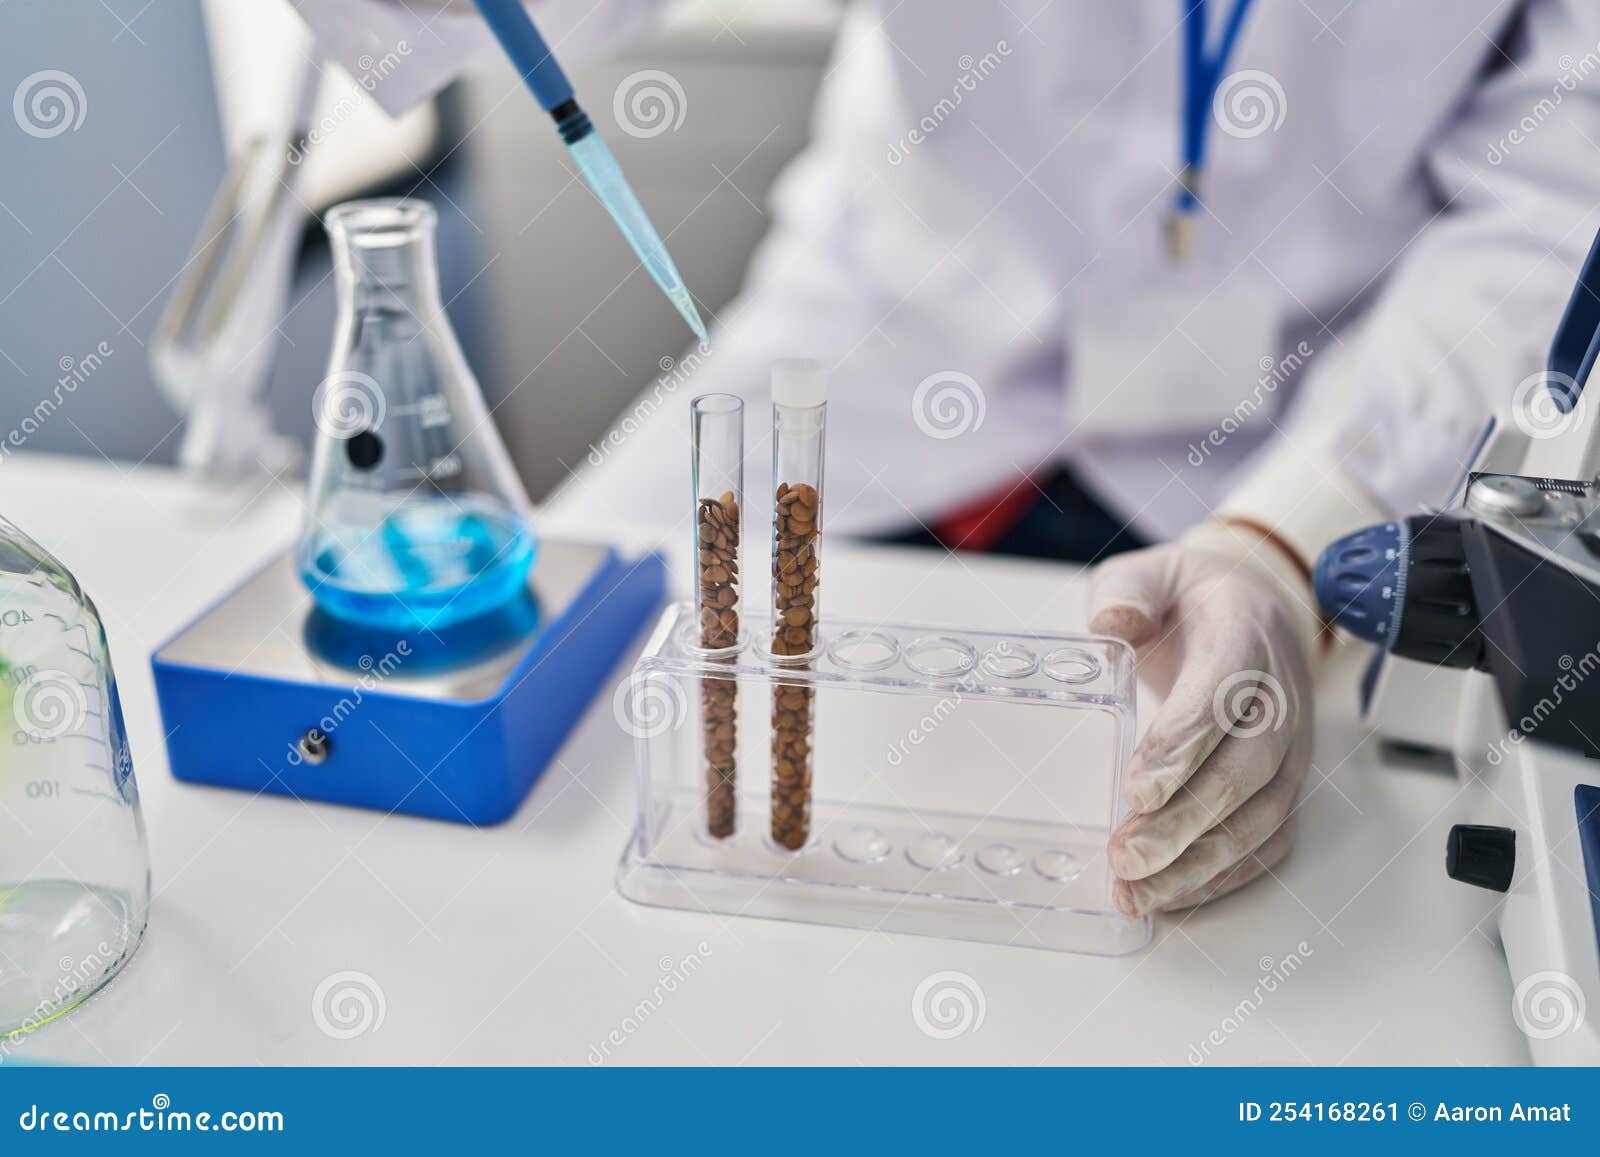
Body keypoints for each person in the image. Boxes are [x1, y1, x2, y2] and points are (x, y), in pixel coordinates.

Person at [299, 0, 1600, 915]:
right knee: (520, 724)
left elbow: (1558, 199)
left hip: (1311, 394)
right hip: (886, 330)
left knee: (1238, 838)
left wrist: (1289, 540)